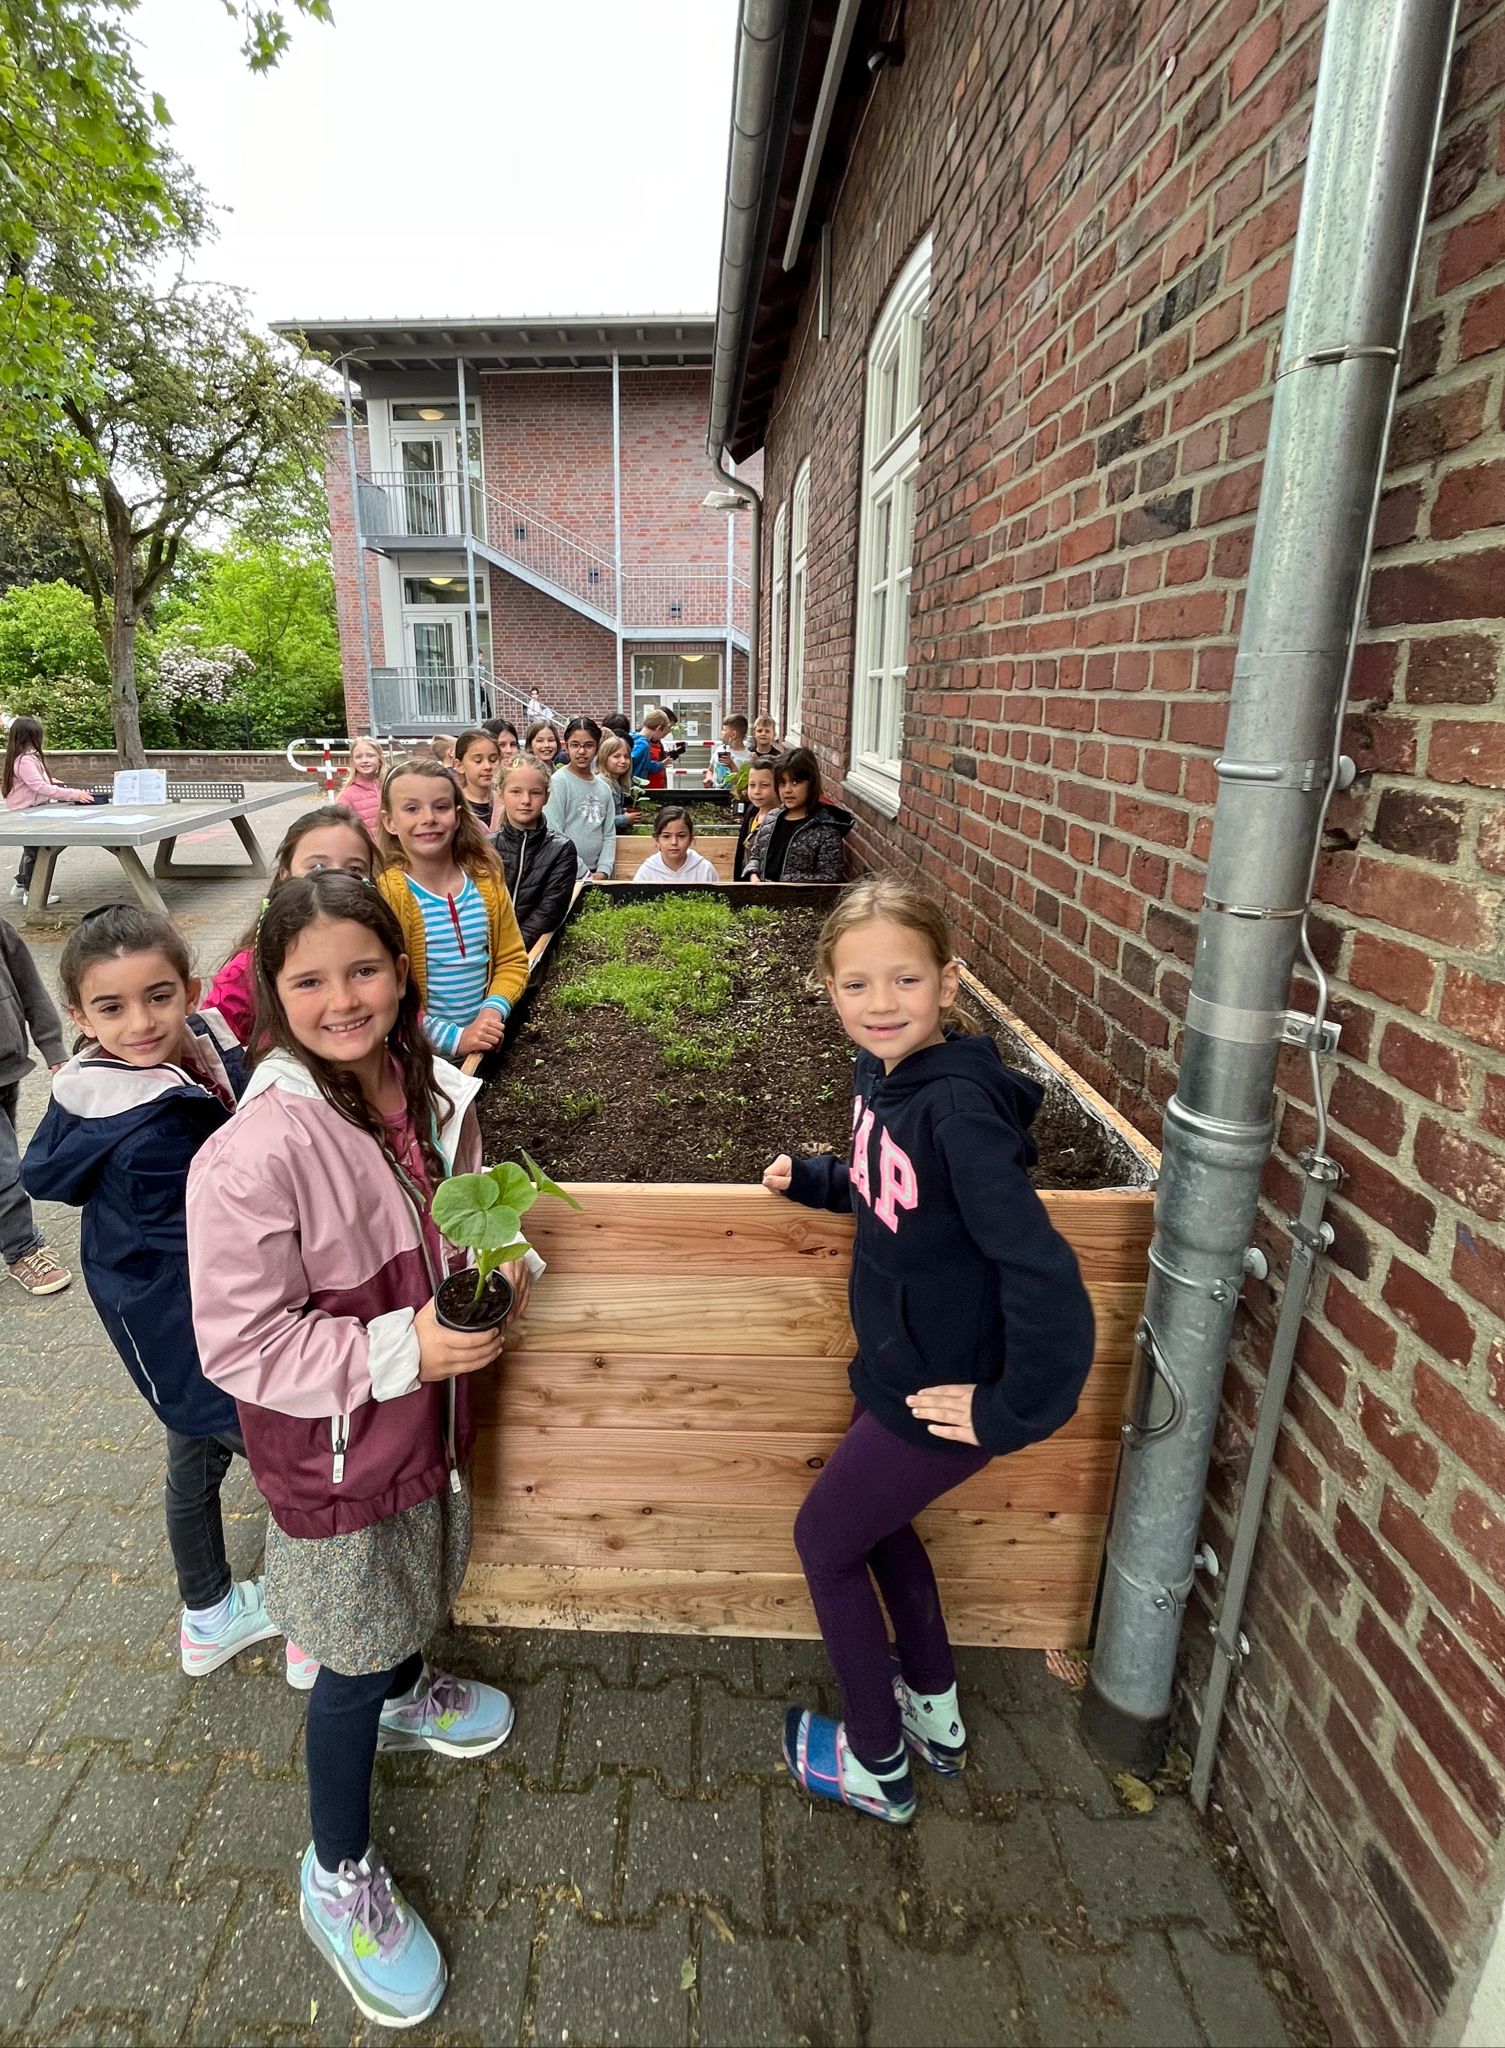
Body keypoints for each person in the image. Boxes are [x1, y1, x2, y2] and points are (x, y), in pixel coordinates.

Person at [185, 872, 534, 2025]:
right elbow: (243, 1346)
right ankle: (335, 1868)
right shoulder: (254, 1152)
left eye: (365, 968)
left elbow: (470, 1207)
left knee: (409, 1585)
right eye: (310, 980)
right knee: (341, 1645)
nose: (344, 997)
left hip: (424, 1423)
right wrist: (407, 1347)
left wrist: (505, 1259)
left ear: (400, 965)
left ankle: (401, 1683)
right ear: (271, 998)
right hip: (340, 1453)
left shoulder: (427, 1083)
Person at [764, 877, 1095, 1824]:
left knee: (823, 1542)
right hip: (900, 1365)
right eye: (856, 986)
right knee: (874, 1528)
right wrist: (825, 1181)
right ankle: (934, 1713)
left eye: (904, 981)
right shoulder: (888, 1078)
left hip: (948, 1390)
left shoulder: (955, 1109)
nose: (880, 1005)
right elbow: (899, 1192)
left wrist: (1010, 1409)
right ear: (828, 991)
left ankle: (874, 1760)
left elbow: (1042, 1271)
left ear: (948, 983)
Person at [22, 904, 320, 1686]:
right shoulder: (147, 1127)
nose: (141, 1021)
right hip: (187, 1323)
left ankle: (209, 1613)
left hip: (177, 1316)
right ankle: (313, 1629)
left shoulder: (194, 1054)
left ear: (189, 989)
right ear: (79, 1016)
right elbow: (229, 1229)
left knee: (193, 1455)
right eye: (111, 1008)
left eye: (158, 996)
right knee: (291, 1457)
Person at [376, 759, 527, 1061]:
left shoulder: (485, 878)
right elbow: (384, 991)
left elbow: (511, 959)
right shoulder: (386, 893)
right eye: (411, 809)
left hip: (481, 1049)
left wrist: (492, 1012)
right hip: (415, 1060)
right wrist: (455, 1038)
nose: (429, 818)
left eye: (441, 807)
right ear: (389, 821)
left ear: (457, 816)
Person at [204, 806, 380, 1047]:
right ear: (285, 876)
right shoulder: (247, 970)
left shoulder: (380, 951)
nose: (335, 878)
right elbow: (210, 1048)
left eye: (354, 870)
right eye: (317, 867)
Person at [0, 921, 71, 1295]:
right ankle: (22, 1249)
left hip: (7, 1065)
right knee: (6, 1169)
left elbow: (29, 985)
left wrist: (52, 1045)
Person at [3, 715, 95, 907]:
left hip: (29, 810)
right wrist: (72, 794)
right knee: (36, 849)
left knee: (31, 848)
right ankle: (32, 892)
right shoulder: (25, 760)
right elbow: (39, 787)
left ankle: (22, 883)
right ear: (32, 737)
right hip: (27, 812)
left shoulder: (24, 759)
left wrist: (55, 784)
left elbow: (40, 783)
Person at [495, 760, 577, 950]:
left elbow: (549, 911)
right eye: (516, 791)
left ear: (546, 797)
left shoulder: (561, 849)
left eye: (535, 792)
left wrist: (510, 951)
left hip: (530, 953)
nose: (526, 800)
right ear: (500, 794)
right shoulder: (485, 847)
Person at [742, 747, 853, 883]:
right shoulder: (772, 818)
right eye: (782, 783)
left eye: (795, 782)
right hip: (764, 899)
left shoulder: (825, 829)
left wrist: (784, 881)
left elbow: (830, 878)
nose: (788, 790)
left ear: (811, 783)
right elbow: (756, 855)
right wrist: (753, 874)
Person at [545, 717, 616, 881]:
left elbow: (609, 834)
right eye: (575, 745)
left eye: (588, 745)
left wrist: (604, 870)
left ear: (597, 748)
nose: (582, 751)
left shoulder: (604, 788)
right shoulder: (558, 783)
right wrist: (584, 873)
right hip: (565, 872)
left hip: (597, 874)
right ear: (566, 747)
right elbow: (554, 833)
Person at [633, 806, 719, 884]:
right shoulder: (646, 872)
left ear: (690, 839)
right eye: (666, 836)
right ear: (657, 839)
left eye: (681, 836)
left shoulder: (705, 869)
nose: (674, 842)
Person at [733, 756, 782, 882]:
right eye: (752, 785)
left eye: (764, 785)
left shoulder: (781, 820)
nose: (756, 791)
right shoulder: (752, 812)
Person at [452, 729, 503, 832]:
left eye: (493, 760)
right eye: (478, 761)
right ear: (459, 765)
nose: (487, 766)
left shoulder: (505, 800)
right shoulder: (454, 804)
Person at [337, 739, 386, 835]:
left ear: (380, 759)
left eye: (370, 756)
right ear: (353, 762)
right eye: (359, 757)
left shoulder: (389, 786)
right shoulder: (346, 796)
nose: (364, 761)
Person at [630, 708, 685, 789]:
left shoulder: (633, 737)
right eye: (666, 729)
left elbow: (646, 765)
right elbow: (629, 761)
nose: (665, 734)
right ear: (659, 729)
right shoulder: (643, 744)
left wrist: (661, 764)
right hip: (635, 788)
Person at [596, 734, 638, 827]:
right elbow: (597, 821)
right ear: (604, 758)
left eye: (626, 756)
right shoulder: (600, 785)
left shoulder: (617, 783)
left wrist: (623, 811)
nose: (623, 760)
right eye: (616, 756)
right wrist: (624, 819)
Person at [704, 713, 752, 789]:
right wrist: (709, 779)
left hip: (733, 799)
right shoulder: (720, 749)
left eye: (724, 730)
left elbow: (742, 785)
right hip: (715, 796)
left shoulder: (748, 758)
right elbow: (710, 770)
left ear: (733, 735)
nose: (722, 733)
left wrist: (731, 765)